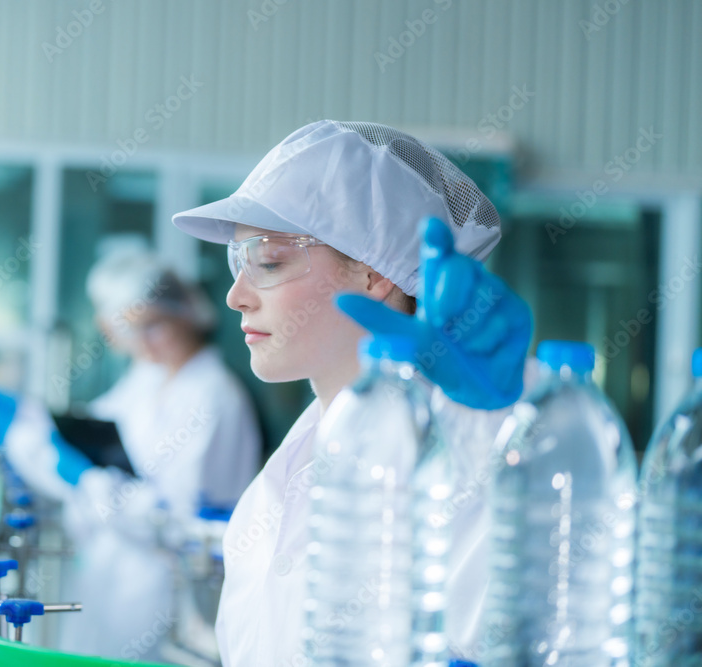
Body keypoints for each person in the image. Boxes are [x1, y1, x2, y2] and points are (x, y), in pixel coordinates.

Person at [171, 120, 533, 665]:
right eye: (236, 263)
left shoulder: (471, 463)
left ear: (374, 275)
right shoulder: (272, 488)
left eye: (268, 261)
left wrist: (499, 415)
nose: (235, 296)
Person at [4, 246, 262, 661]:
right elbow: (98, 426)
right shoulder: (149, 376)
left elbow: (175, 521)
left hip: (167, 588)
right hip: (112, 575)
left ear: (186, 312)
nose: (143, 341)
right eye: (130, 329)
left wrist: (89, 482)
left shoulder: (215, 396)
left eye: (154, 325)